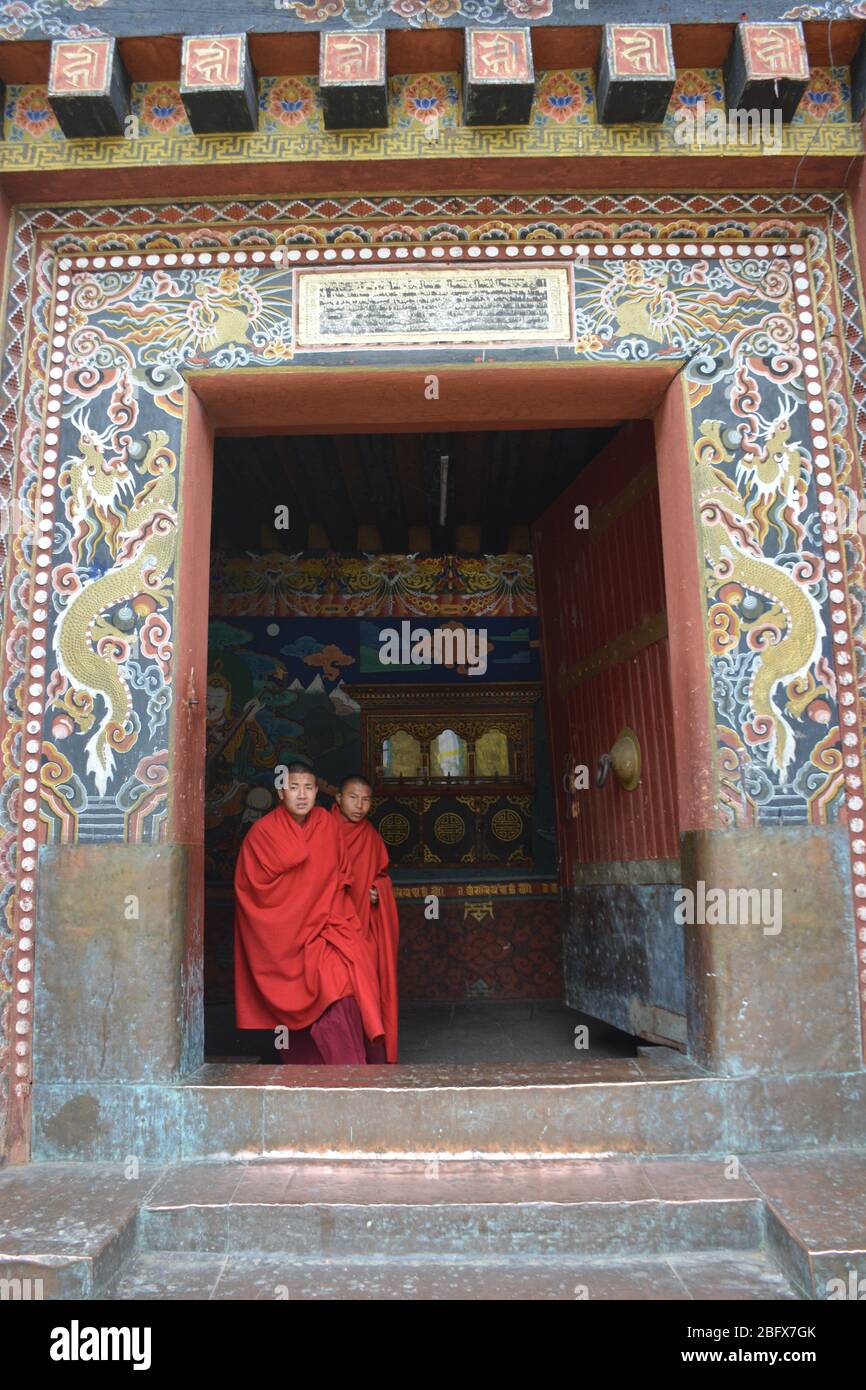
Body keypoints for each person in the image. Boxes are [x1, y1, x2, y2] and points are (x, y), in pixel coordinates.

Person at [233, 761, 385, 1065]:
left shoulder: (326, 826)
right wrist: (297, 916)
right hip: (284, 941)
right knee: (308, 1005)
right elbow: (251, 892)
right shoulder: (263, 834)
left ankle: (350, 1071)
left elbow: (342, 876)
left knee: (342, 989)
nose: (301, 795)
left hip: (327, 933)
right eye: (293, 788)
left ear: (317, 792)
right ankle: (313, 1071)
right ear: (280, 793)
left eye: (308, 788)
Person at [332, 775, 400, 1063]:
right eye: (352, 797)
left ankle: (369, 1052)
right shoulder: (323, 828)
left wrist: (377, 891)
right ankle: (346, 1056)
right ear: (338, 798)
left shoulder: (371, 835)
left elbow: (381, 875)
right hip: (333, 925)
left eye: (366, 799)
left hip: (365, 925)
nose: (359, 805)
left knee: (369, 985)